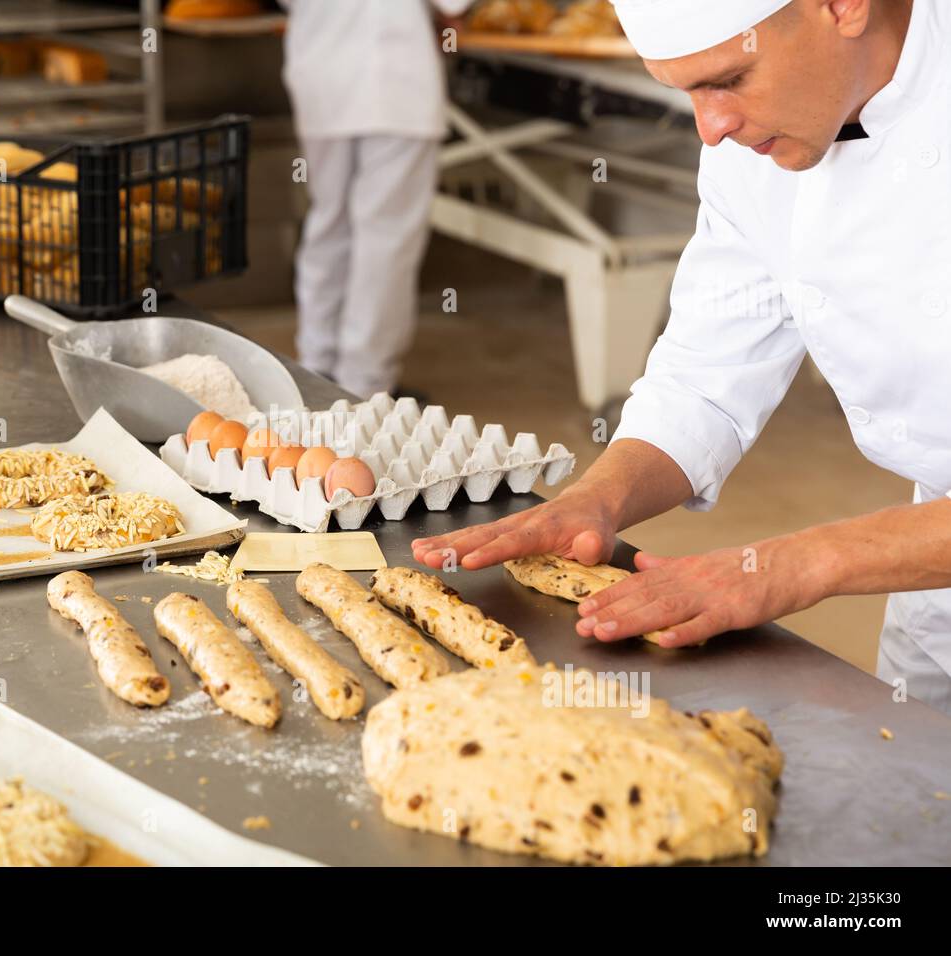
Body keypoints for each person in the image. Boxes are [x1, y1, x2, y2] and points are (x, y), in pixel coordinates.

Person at [413, 0, 951, 713]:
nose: (712, 127)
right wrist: (594, 502)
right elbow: (706, 377)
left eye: (728, 78)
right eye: (689, 92)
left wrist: (791, 566)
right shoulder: (749, 148)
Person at [279, 0, 471, 398]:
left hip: (322, 77)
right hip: (393, 83)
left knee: (328, 221)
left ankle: (315, 367)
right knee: (386, 238)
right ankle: (363, 384)